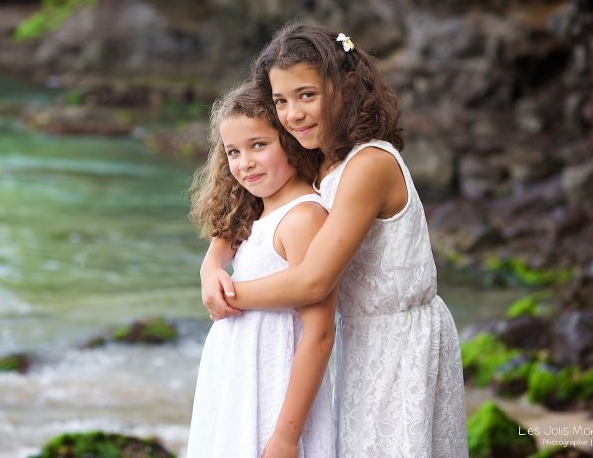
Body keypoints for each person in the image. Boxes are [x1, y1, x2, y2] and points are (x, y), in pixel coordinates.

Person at [201, 24, 469, 457]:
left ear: (346, 85)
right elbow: (250, 201)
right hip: (357, 338)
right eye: (281, 101)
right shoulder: (318, 159)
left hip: (402, 341)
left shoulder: (369, 164)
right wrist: (211, 264)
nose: (293, 114)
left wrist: (228, 293)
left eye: (307, 95)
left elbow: (313, 281)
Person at [186, 80, 337, 458]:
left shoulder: (302, 218)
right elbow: (222, 244)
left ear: (289, 139)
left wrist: (286, 438)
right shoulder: (256, 208)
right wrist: (209, 271)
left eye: (258, 145)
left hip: (272, 392)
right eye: (232, 152)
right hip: (236, 383)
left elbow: (319, 335)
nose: (244, 163)